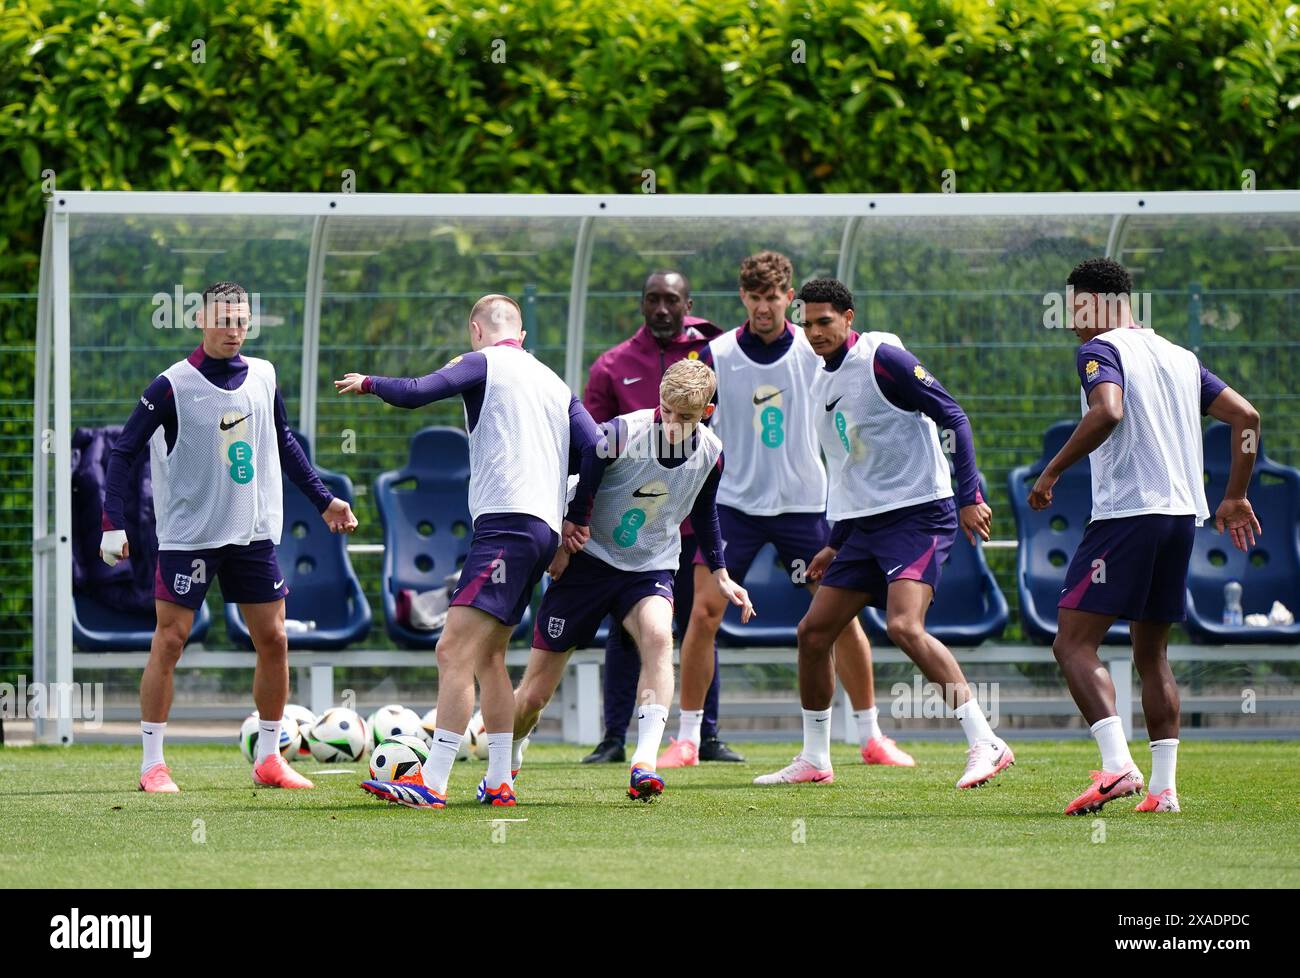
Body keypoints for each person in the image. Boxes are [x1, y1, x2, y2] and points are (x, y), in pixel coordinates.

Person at [338, 294, 602, 808]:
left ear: (475, 331)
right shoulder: (554, 382)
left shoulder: (483, 363)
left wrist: (368, 382)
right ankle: (500, 780)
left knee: (451, 649)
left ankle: (431, 783)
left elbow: (417, 392)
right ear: (521, 336)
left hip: (506, 524)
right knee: (489, 656)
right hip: (541, 528)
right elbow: (595, 447)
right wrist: (577, 517)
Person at [100, 281, 358, 793]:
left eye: (241, 320)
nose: (234, 330)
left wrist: (324, 499)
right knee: (170, 641)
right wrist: (113, 523)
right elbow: (123, 452)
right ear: (200, 319)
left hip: (253, 532)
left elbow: (284, 441)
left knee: (275, 639)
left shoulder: (263, 375)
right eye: (224, 319)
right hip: (190, 536)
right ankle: (153, 764)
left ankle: (269, 759)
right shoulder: (171, 386)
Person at [660, 251, 913, 770]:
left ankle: (870, 736)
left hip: (806, 506)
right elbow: (688, 421)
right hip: (732, 506)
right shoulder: (715, 354)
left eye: (774, 297)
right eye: (754, 297)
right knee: (703, 613)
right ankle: (686, 739)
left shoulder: (813, 349)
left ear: (788, 297)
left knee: (843, 621)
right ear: (742, 298)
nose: (764, 307)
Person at [756, 278, 1013, 789]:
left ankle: (986, 740)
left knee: (903, 627)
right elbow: (854, 472)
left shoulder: (884, 358)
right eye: (806, 324)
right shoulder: (819, 381)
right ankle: (815, 758)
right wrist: (835, 541)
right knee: (812, 632)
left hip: (919, 514)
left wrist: (970, 497)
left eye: (825, 322)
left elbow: (954, 416)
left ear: (849, 317)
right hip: (863, 529)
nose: (815, 333)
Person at [1029, 257, 1262, 815]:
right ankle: (1164, 790)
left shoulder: (1100, 350)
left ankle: (1116, 768)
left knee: (1072, 642)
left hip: (1127, 516)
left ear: (1090, 303)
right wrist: (1234, 494)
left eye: (1073, 309)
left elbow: (1107, 412)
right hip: (1183, 516)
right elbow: (1248, 417)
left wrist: (1052, 470)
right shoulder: (1181, 357)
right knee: (1150, 653)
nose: (1071, 322)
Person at [511, 360, 754, 801]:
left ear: (708, 410)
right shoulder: (622, 434)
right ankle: (506, 752)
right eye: (667, 411)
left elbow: (704, 512)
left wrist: (721, 572)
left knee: (660, 636)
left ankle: (644, 763)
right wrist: (567, 538)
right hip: (588, 559)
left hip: (649, 564)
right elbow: (583, 474)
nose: (674, 424)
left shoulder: (711, 454)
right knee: (533, 697)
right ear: (657, 401)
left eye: (686, 417)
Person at [579, 270, 743, 764]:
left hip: (688, 522)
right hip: (628, 528)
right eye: (653, 299)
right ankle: (613, 737)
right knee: (625, 633)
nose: (663, 308)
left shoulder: (711, 351)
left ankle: (702, 735)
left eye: (672, 299)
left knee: (698, 623)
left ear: (687, 303)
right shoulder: (612, 365)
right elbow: (590, 442)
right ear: (642, 303)